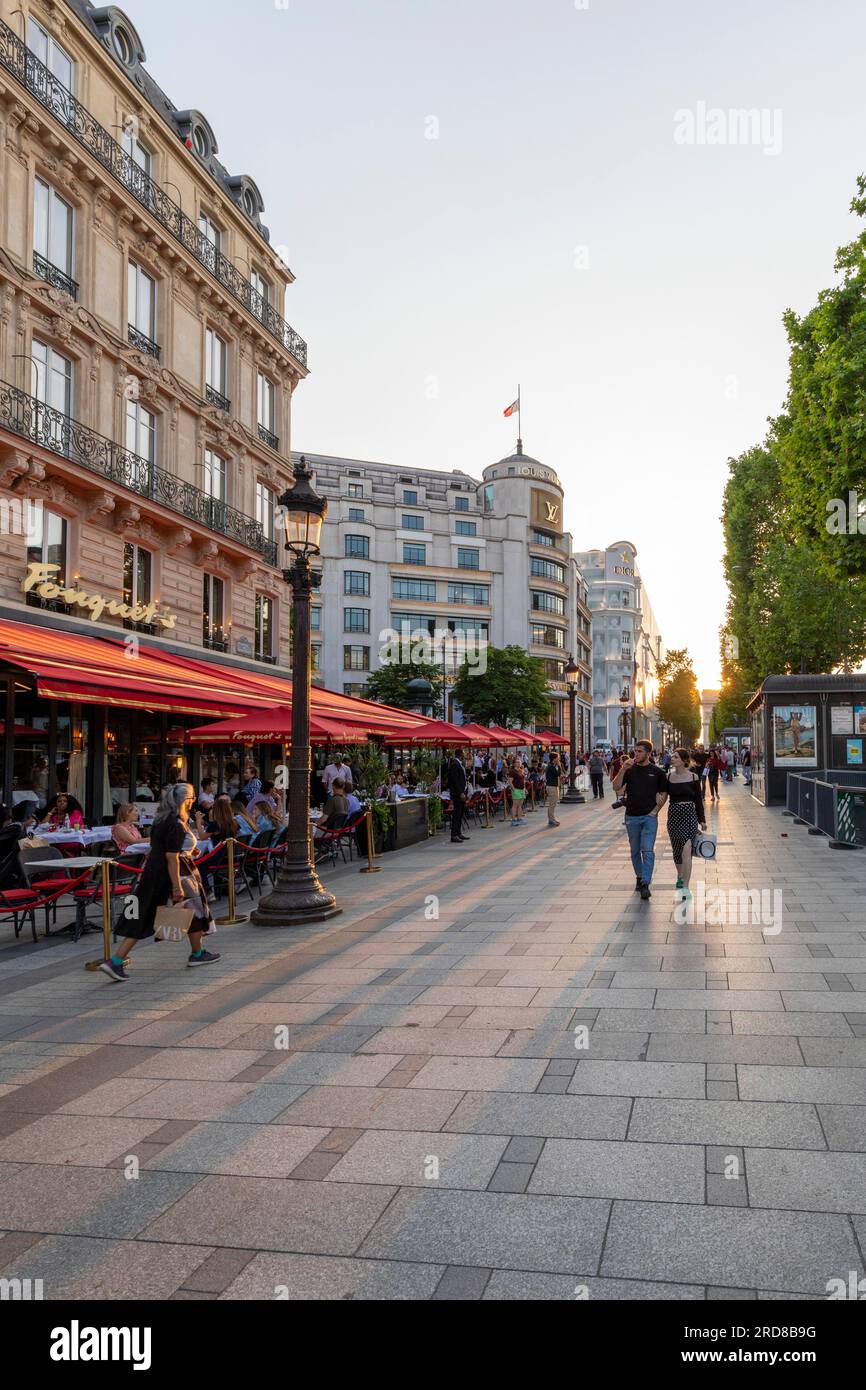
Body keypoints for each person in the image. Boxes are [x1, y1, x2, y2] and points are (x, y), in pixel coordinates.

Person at [101, 782, 219, 982]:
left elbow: (167, 849)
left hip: (154, 872)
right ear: (184, 800)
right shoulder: (176, 823)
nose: (192, 802)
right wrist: (176, 885)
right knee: (195, 910)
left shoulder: (161, 820)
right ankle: (197, 954)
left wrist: (189, 851)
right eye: (191, 799)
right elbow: (171, 856)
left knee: (148, 914)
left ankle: (117, 960)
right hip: (176, 873)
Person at [612, 739, 668, 900]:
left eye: (639, 751)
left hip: (649, 817)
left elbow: (664, 793)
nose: (636, 754)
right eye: (635, 751)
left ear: (648, 753)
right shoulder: (629, 770)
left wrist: (656, 811)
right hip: (631, 816)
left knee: (647, 850)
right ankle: (639, 875)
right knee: (635, 850)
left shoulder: (658, 772)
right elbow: (616, 787)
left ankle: (645, 883)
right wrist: (623, 768)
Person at [665, 747, 707, 897]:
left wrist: (701, 819)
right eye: (673, 756)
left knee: (687, 849)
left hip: (689, 815)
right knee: (677, 851)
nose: (672, 758)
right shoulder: (668, 777)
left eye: (676, 757)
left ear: (683, 760)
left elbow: (698, 800)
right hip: (674, 816)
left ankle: (686, 887)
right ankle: (680, 876)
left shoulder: (694, 777)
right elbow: (663, 796)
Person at [446, 748, 469, 843]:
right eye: (463, 754)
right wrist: (460, 792)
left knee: (460, 814)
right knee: (456, 814)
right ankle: (454, 835)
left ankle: (458, 832)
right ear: (460, 755)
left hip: (462, 792)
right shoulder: (454, 765)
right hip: (457, 794)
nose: (464, 755)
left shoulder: (459, 764)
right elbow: (455, 781)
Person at [544, 749, 562, 827]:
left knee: (553, 804)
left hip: (553, 786)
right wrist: (559, 765)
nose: (559, 759)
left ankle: (552, 819)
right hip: (552, 787)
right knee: (552, 804)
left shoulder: (552, 766)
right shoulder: (551, 766)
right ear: (554, 758)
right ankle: (551, 820)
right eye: (558, 758)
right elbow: (558, 773)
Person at [509, 761, 526, 826]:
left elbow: (523, 780)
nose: (518, 763)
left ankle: (519, 818)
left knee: (520, 805)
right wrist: (514, 790)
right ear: (514, 764)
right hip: (516, 790)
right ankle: (513, 820)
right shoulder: (512, 771)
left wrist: (525, 789)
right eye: (517, 762)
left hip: (522, 790)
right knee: (515, 805)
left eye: (519, 762)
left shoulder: (521, 770)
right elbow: (510, 781)